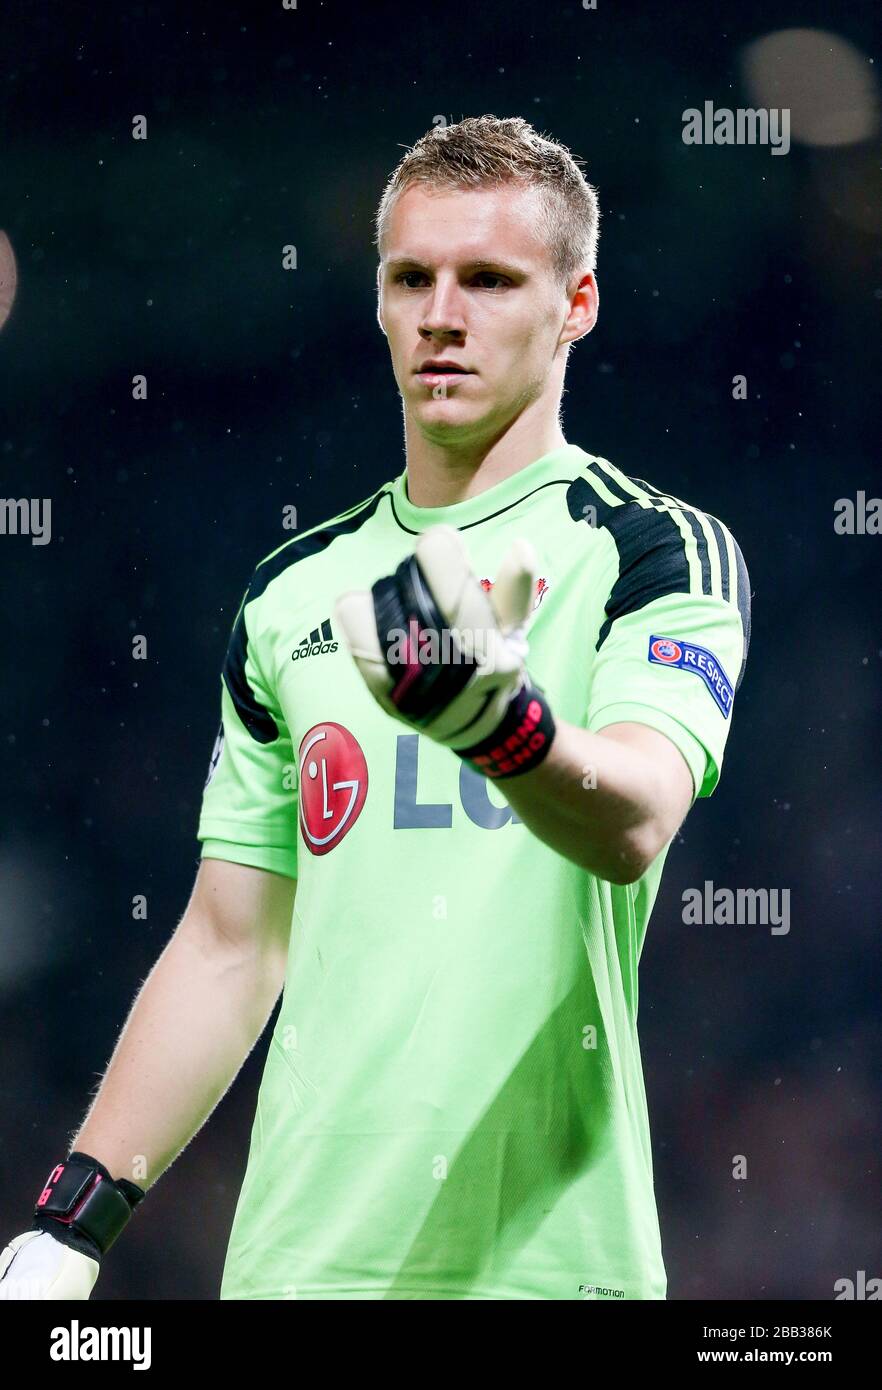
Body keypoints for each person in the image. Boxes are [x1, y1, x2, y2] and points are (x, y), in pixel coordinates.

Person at [0, 114, 750, 1301]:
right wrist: (73, 1219)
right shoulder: (292, 592)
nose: (441, 313)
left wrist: (497, 724)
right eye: (412, 277)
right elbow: (230, 943)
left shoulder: (654, 550)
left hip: (551, 1267)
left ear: (577, 304)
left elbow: (638, 816)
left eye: (491, 279)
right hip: (297, 1267)